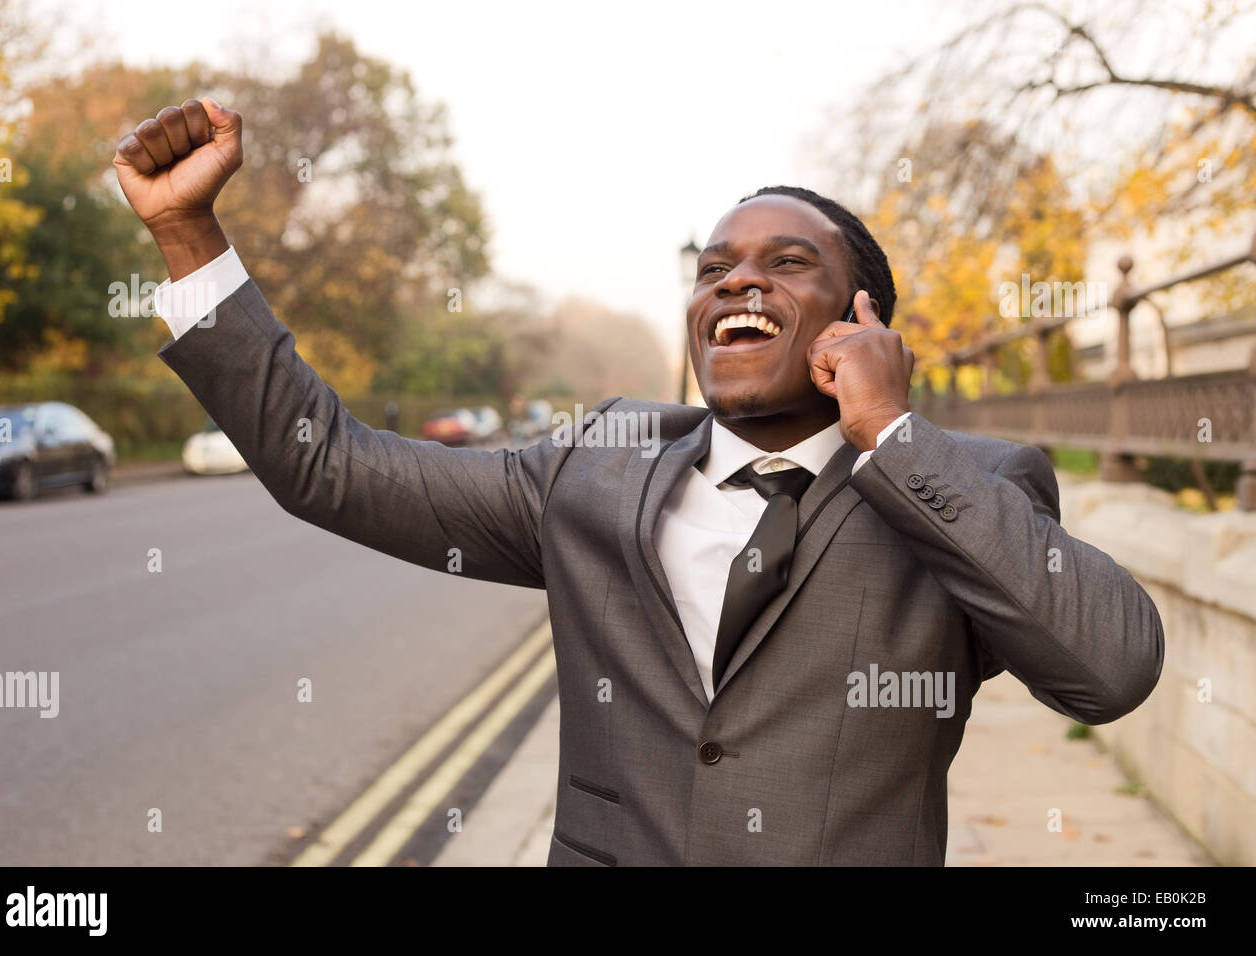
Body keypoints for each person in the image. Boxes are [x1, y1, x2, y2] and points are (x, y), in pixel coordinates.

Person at [114, 98, 1164, 866]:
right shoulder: (592, 467)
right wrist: (187, 236)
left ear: (864, 322)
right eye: (713, 270)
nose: (738, 279)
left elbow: (1108, 670)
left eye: (788, 263)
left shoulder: (967, 484)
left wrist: (889, 432)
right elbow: (326, 465)